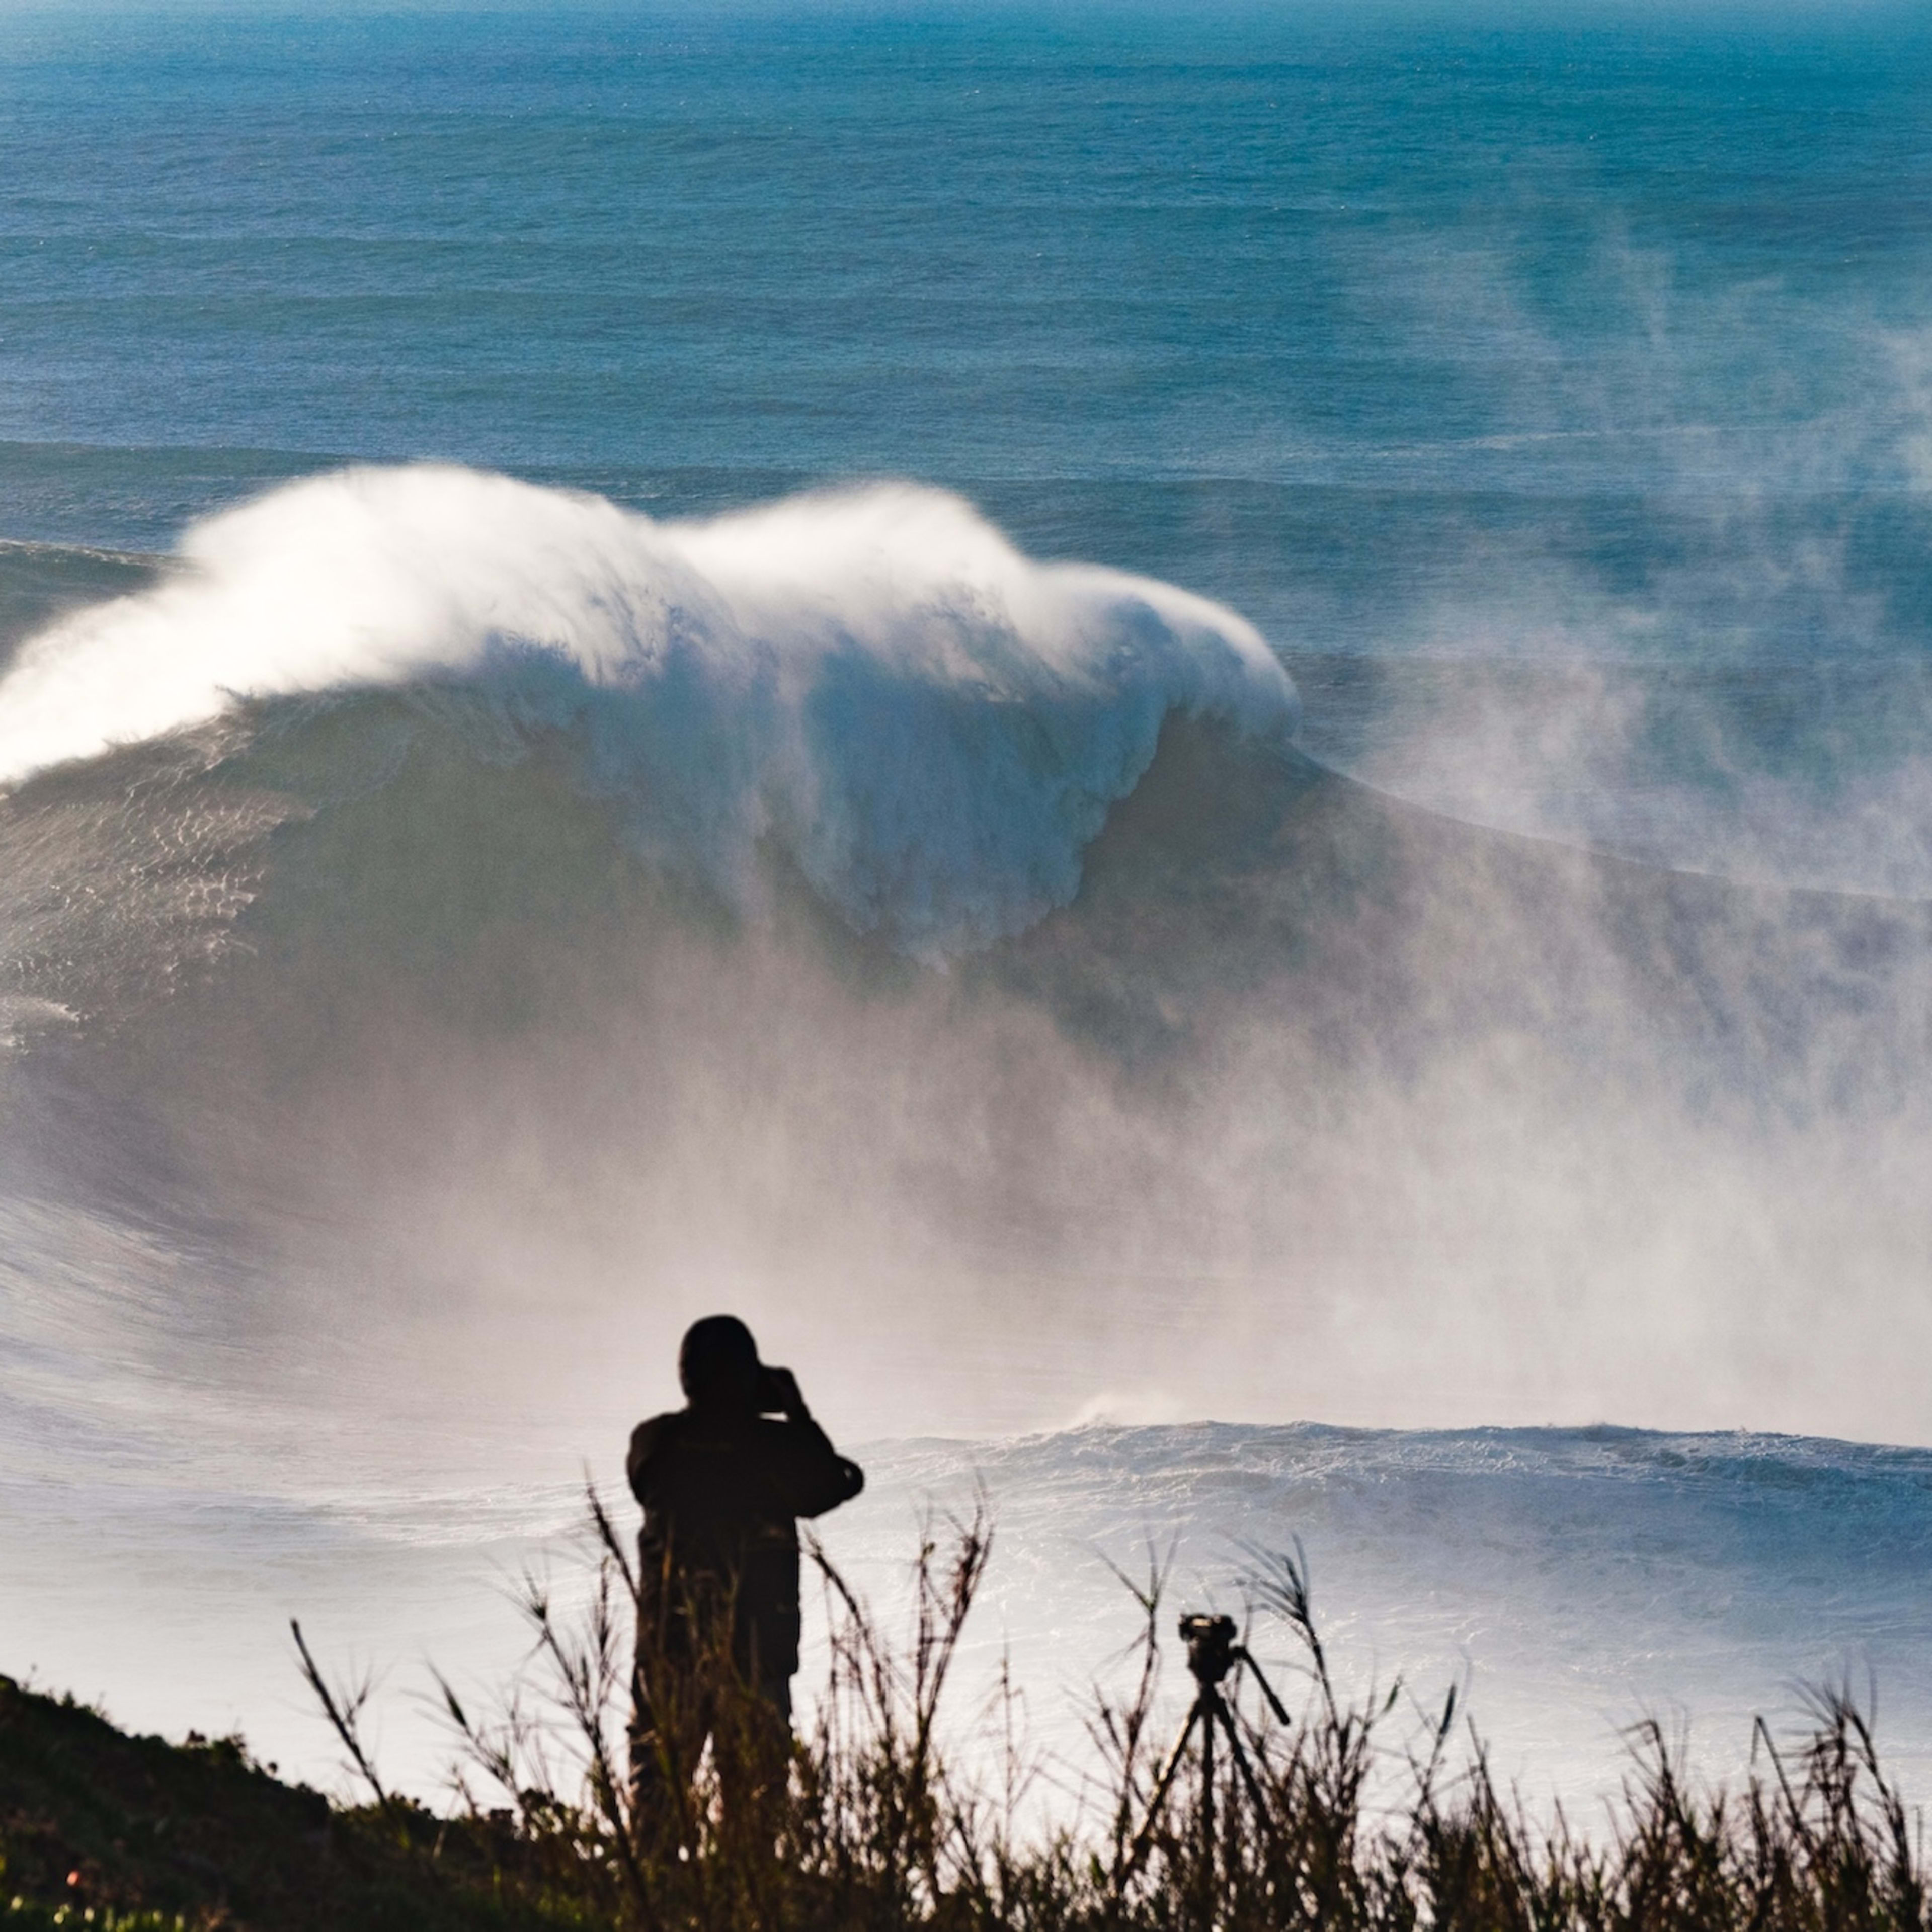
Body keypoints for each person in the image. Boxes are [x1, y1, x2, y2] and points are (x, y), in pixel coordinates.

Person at [625, 1314, 864, 1826]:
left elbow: (647, 1480)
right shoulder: (773, 1451)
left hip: (670, 1651)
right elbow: (833, 1482)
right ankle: (740, 1904)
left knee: (656, 1803)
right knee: (753, 1816)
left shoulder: (654, 1444)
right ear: (746, 1378)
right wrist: (795, 1412)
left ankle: (647, 1898)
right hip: (755, 1657)